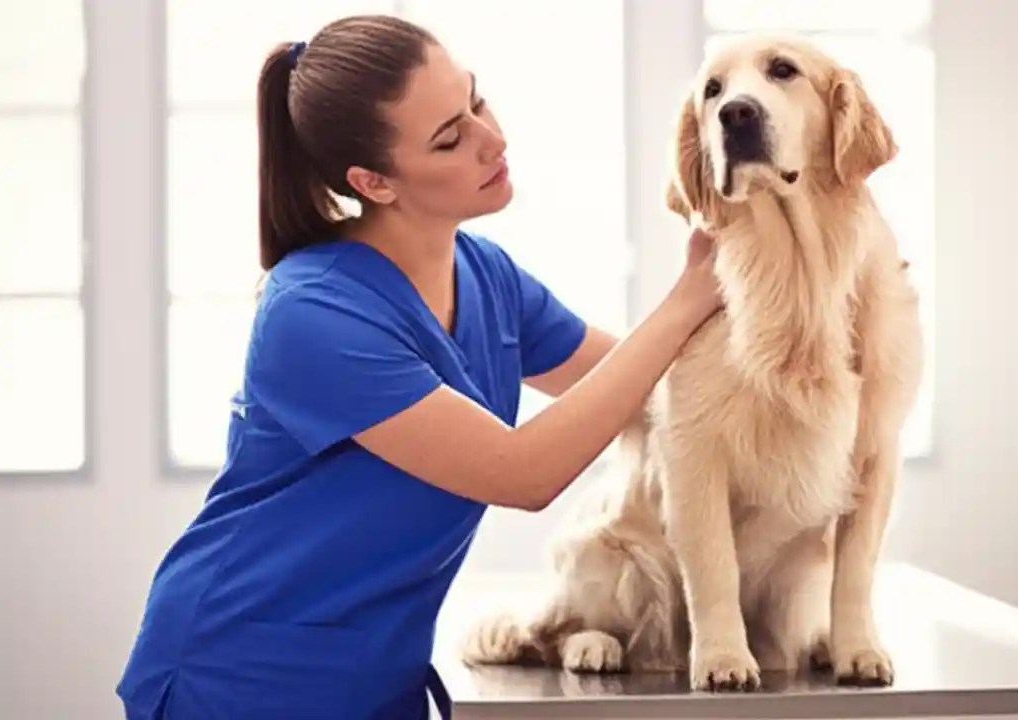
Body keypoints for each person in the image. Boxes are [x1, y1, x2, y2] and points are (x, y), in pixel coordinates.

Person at [115, 14, 720, 720]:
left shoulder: (487, 277)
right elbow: (522, 472)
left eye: (476, 101)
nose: (491, 139)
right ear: (373, 181)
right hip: (243, 676)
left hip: (377, 677)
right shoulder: (311, 314)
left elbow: (643, 389)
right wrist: (685, 302)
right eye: (449, 138)